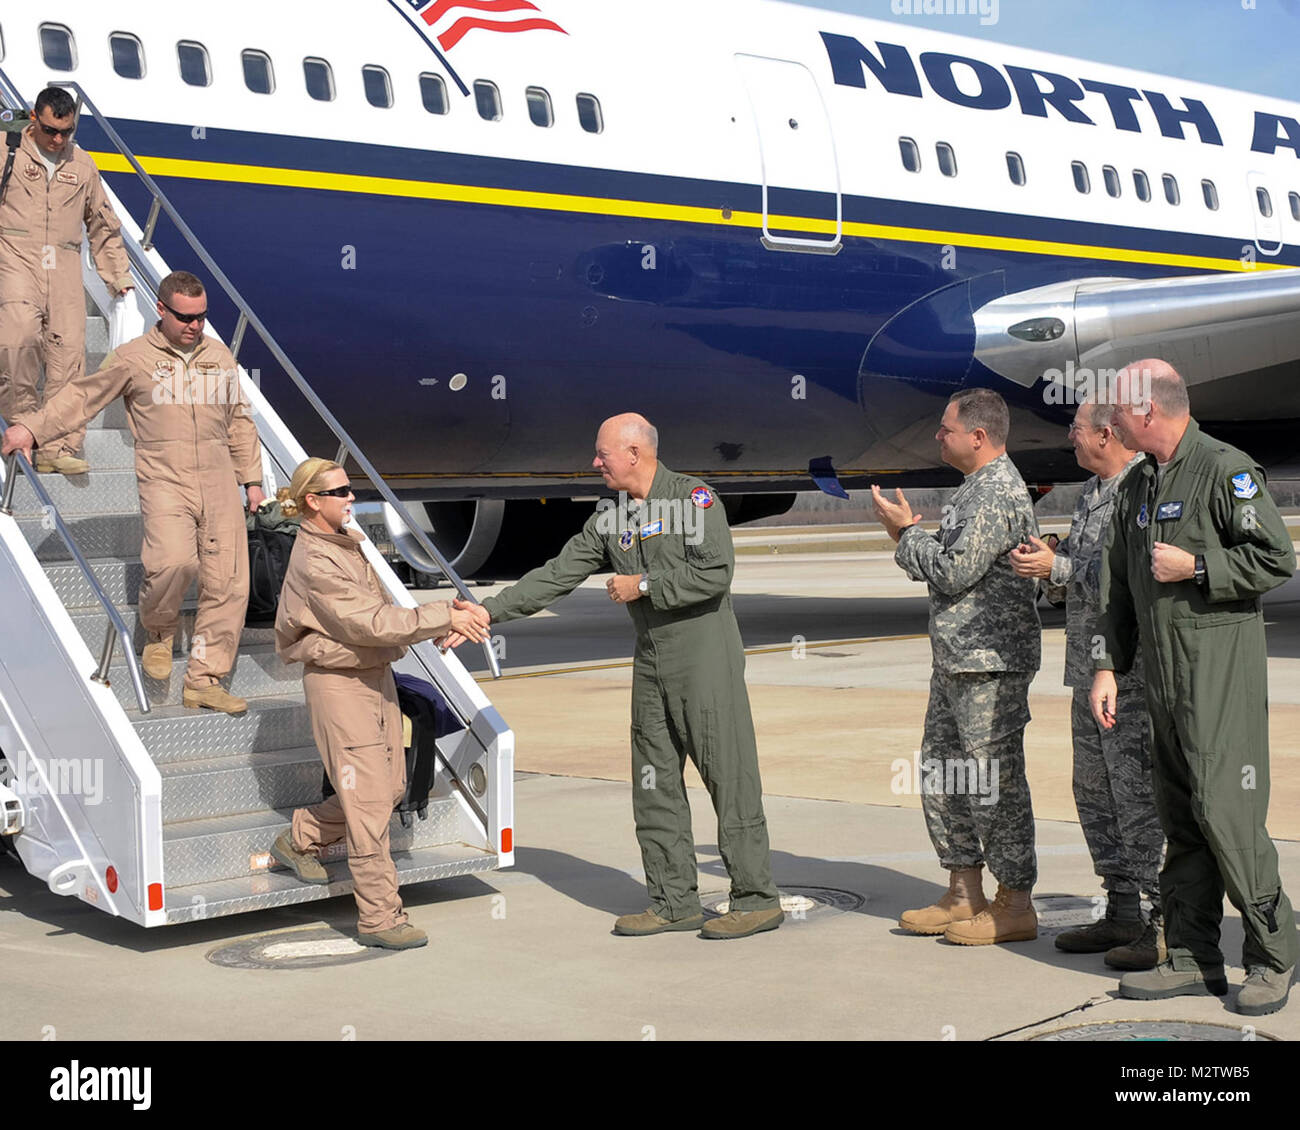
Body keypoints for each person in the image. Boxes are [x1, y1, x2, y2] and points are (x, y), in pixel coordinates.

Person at [473, 413, 783, 939]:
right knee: (654, 783)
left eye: (603, 454)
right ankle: (673, 901)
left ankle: (756, 898)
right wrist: (487, 612)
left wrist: (643, 585)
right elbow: (558, 573)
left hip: (704, 657)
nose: (596, 463)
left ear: (635, 453)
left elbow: (715, 571)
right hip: (651, 661)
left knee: (728, 778)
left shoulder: (693, 500)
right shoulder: (611, 517)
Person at [1091, 359, 1298, 1016]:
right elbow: (1118, 590)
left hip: (1219, 678)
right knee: (1181, 817)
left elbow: (1276, 558)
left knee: (1225, 813)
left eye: (1117, 410)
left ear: (1147, 411)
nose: (1110, 421)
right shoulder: (1137, 489)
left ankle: (1274, 953)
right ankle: (1187, 954)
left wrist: (1199, 565)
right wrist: (1106, 665)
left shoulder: (1223, 469)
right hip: (1164, 682)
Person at [2, 270, 261, 714]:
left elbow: (239, 419)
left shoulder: (218, 356)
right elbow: (82, 398)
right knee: (172, 563)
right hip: (165, 476)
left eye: (201, 317)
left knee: (229, 583)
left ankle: (204, 678)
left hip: (219, 475)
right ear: (160, 310)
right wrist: (31, 427)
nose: (195, 326)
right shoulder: (133, 358)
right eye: (185, 317)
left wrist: (251, 479)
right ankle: (159, 631)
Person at [269, 458, 490, 949]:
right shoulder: (315, 559)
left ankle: (302, 836)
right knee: (368, 802)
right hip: (339, 684)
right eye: (342, 491)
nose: (352, 498)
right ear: (313, 501)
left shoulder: (345, 544)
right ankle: (379, 917)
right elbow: (369, 622)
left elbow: (381, 619)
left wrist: (437, 621)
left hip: (373, 675)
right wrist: (442, 616)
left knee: (389, 787)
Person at [872, 387, 1041, 945]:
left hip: (989, 662)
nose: (937, 436)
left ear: (978, 435)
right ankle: (964, 889)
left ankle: (1014, 901)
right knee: (944, 775)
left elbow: (953, 571)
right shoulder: (973, 490)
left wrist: (904, 535)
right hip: (959, 660)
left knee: (992, 781)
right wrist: (918, 539)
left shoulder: (996, 492)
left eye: (945, 428)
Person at [1010, 398, 1163, 969]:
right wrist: (1050, 561)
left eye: (1076, 432)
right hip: (1087, 671)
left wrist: (1062, 569)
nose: (1069, 441)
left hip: (1128, 674)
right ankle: (1121, 909)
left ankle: (1162, 921)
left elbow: (1134, 577)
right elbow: (1083, 573)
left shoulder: (1141, 490)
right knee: (1095, 795)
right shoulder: (1094, 494)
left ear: (1106, 433)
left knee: (1138, 798)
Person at [0, 86, 134, 475]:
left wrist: (117, 276)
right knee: (17, 341)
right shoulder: (7, 150)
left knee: (69, 356)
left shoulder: (82, 165)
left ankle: (58, 446)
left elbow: (103, 222)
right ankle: (19, 430)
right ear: (34, 121)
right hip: (15, 256)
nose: (58, 140)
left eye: (66, 132)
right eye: (49, 130)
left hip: (64, 262)